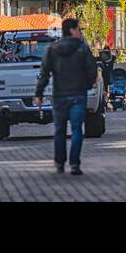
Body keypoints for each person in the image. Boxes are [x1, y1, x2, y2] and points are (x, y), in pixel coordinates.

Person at [34, 19, 98, 175]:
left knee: (59, 130)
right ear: (71, 30)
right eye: (78, 29)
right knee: (77, 130)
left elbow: (44, 73)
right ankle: (74, 164)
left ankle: (59, 162)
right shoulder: (83, 49)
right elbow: (92, 71)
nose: (80, 32)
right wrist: (87, 85)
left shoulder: (53, 49)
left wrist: (39, 93)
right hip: (78, 94)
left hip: (60, 95)